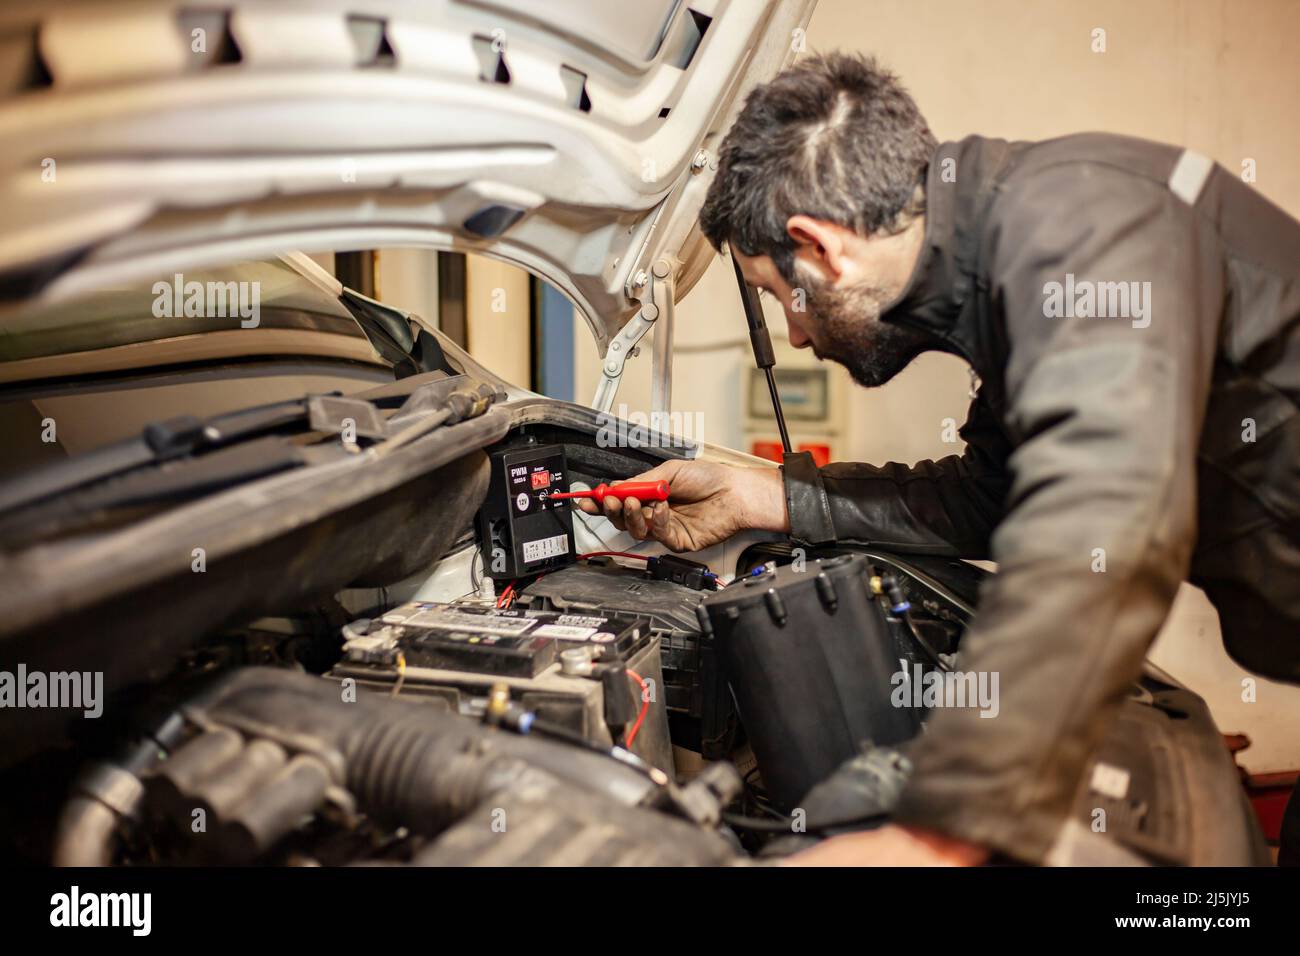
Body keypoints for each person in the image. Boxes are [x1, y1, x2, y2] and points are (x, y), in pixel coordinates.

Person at [578, 52, 1300, 865]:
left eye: (784, 298)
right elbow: (992, 497)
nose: (797, 334)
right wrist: (762, 497)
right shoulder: (1006, 258)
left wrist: (940, 832)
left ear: (819, 248)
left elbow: (1102, 513)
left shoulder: (1080, 230)